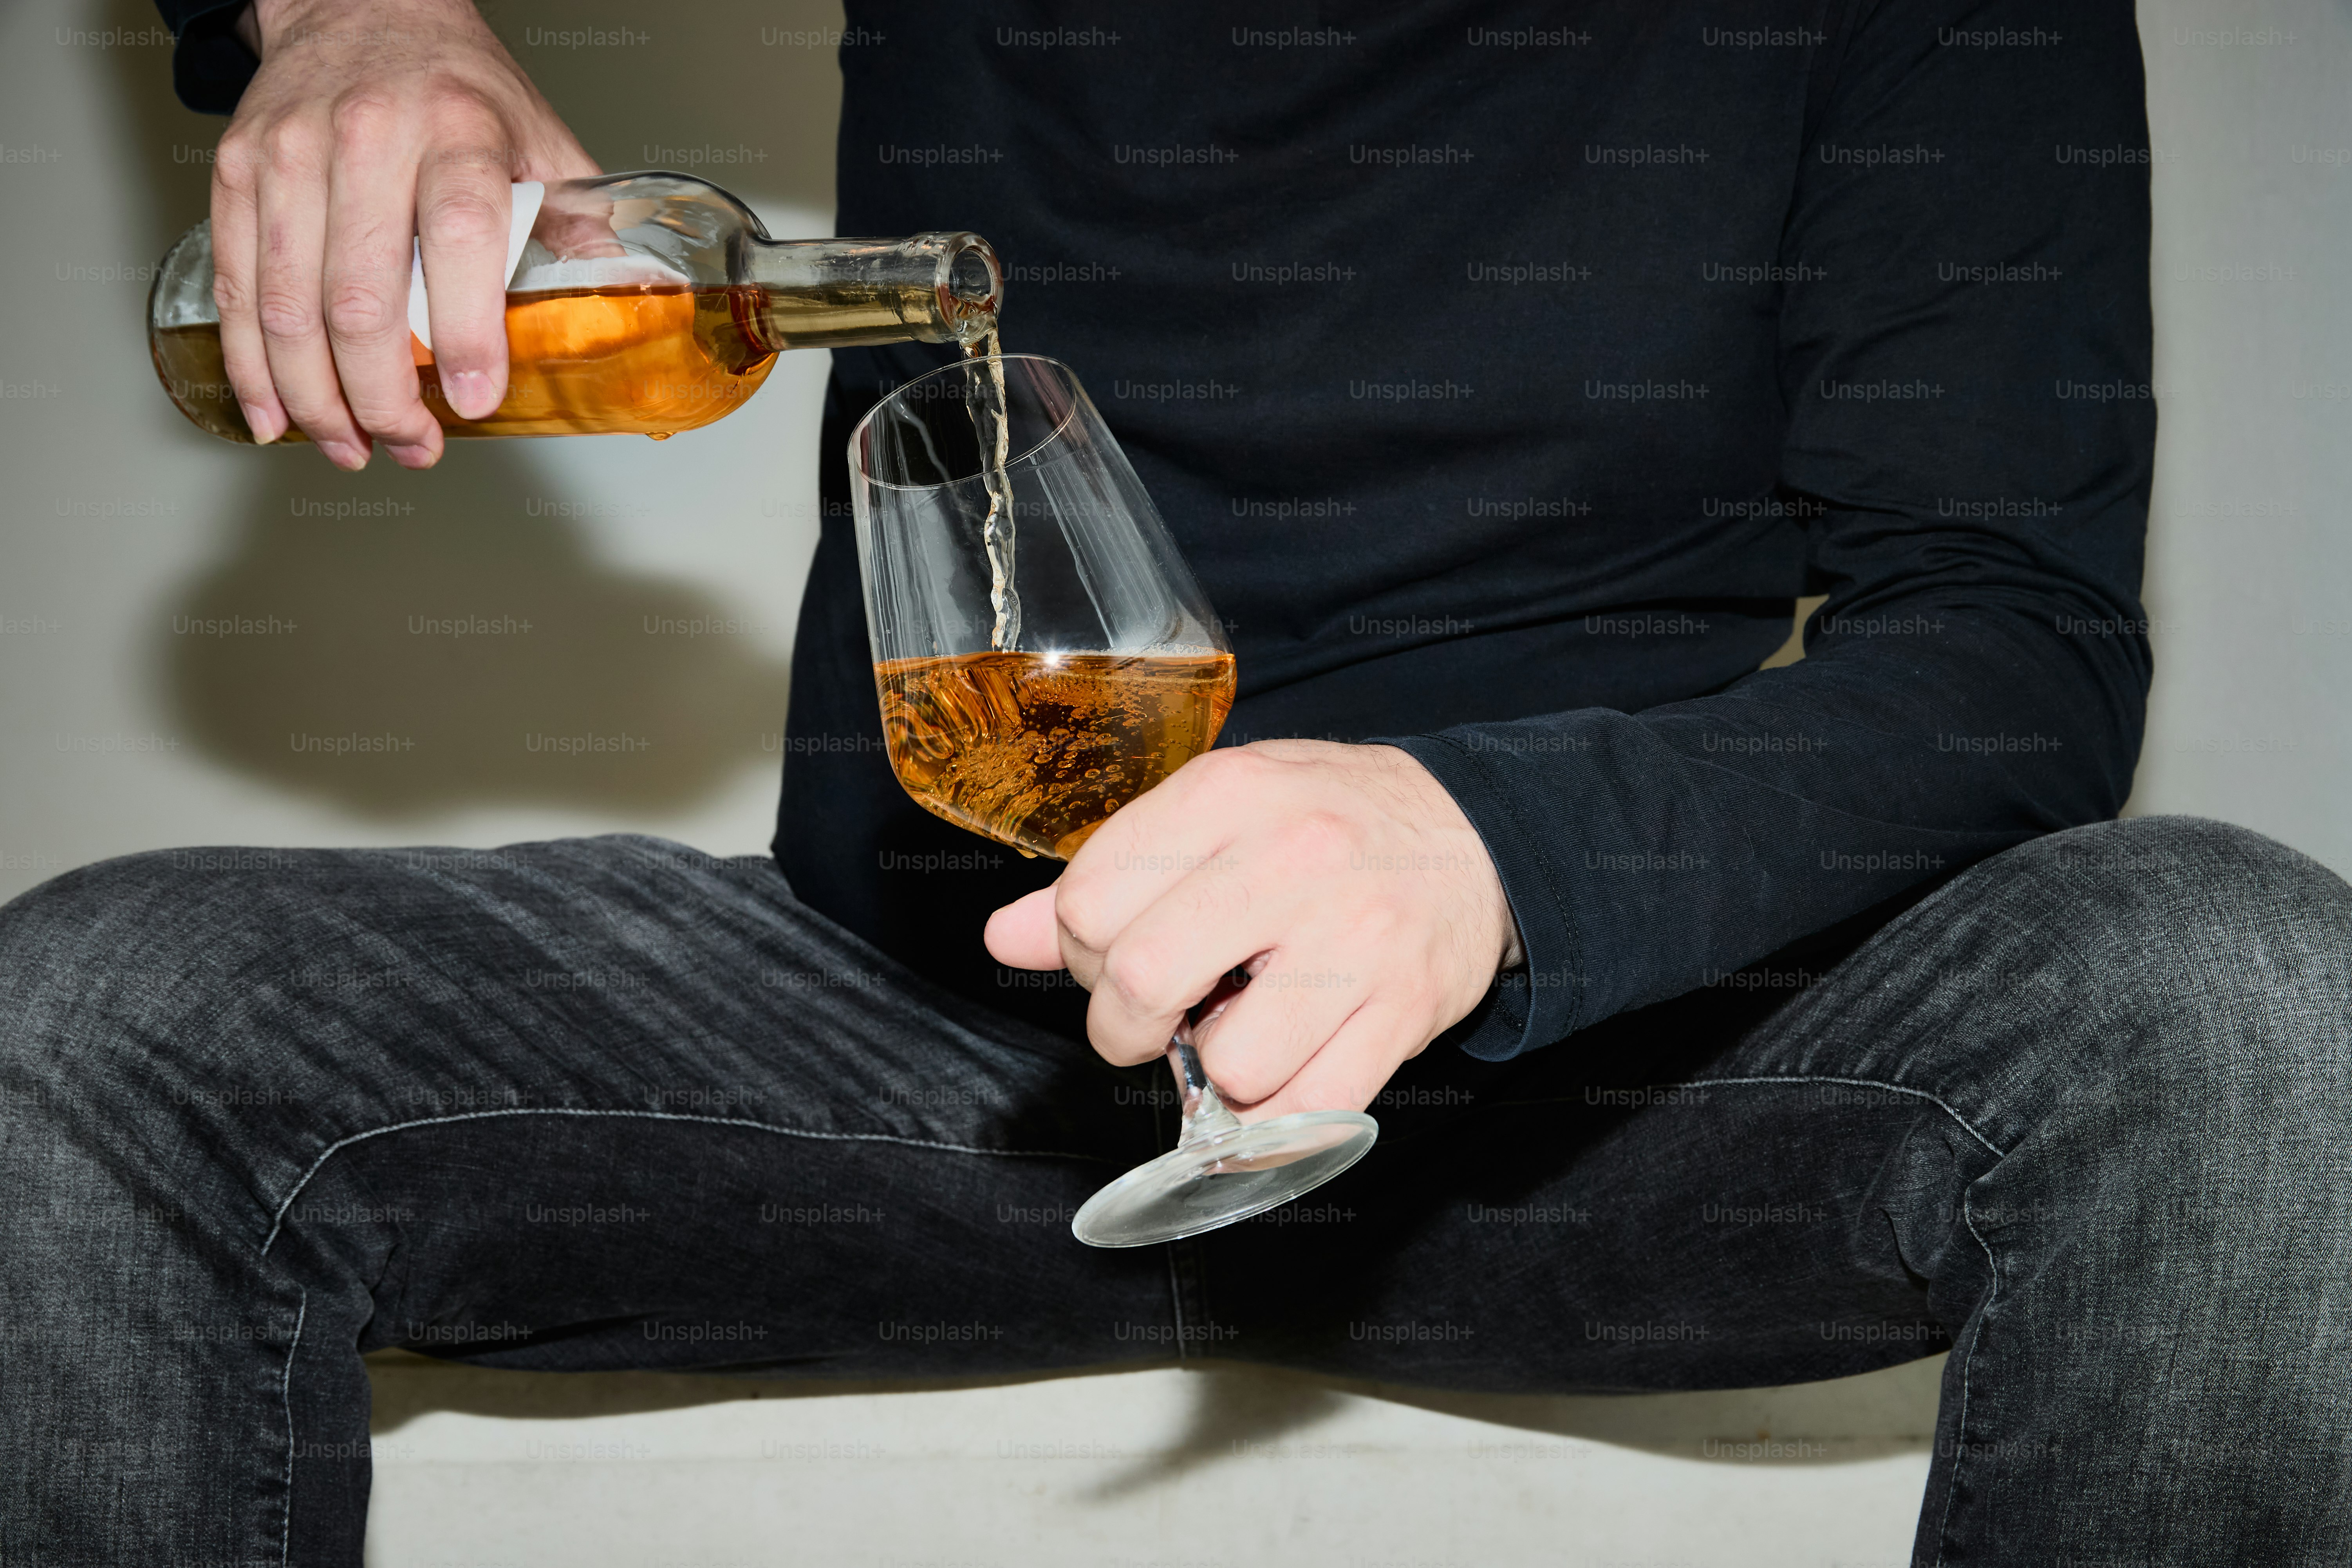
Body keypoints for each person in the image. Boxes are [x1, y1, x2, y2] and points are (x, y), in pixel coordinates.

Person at [3, 0, 2346, 1561]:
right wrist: (343, 14)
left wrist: (1494, 850)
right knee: (93, 1022)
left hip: (1610, 1083)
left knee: (2249, 1007)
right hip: (920, 1029)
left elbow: (2011, 644)